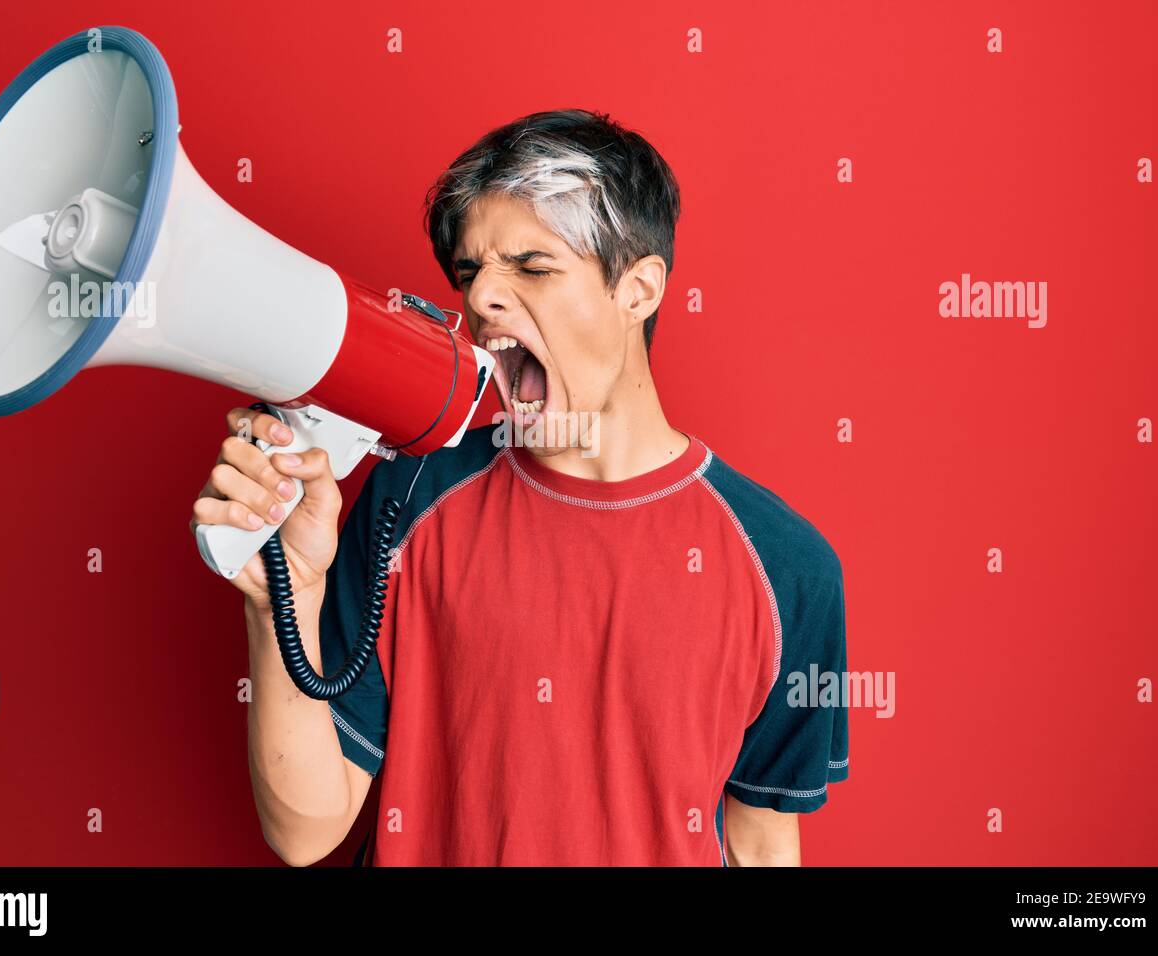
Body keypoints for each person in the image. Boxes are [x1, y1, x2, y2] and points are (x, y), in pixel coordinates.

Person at [190, 109, 849, 866]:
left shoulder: (788, 568)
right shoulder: (408, 496)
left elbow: (763, 843)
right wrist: (284, 599)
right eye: (470, 273)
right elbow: (306, 831)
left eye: (533, 267)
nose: (482, 301)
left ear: (639, 289)